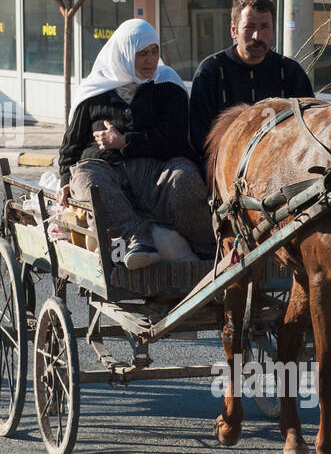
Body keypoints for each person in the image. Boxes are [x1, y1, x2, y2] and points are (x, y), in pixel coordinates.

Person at [57, 19, 214, 270]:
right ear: (124, 53)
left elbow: (174, 140)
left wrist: (124, 142)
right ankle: (137, 240)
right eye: (142, 54)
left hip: (158, 172)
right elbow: (71, 146)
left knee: (186, 177)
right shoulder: (95, 91)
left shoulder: (168, 85)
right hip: (107, 172)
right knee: (86, 177)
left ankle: (209, 253)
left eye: (154, 52)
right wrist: (65, 179)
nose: (150, 60)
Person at [187, 0, 314, 168]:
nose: (257, 36)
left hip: (281, 167)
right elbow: (200, 138)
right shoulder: (211, 71)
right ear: (234, 30)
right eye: (250, 27)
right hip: (226, 167)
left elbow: (309, 128)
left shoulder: (290, 72)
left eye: (265, 27)